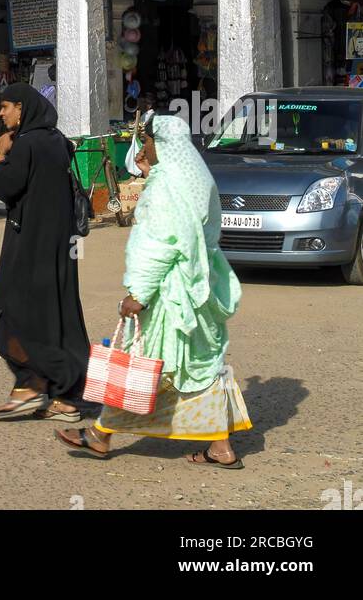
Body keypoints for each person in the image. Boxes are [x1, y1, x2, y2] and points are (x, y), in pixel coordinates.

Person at [55, 113, 252, 468]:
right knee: (199, 366)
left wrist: (139, 293)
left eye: (148, 142)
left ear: (164, 144)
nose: (144, 150)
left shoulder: (167, 185)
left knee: (140, 363)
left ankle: (101, 434)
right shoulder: (197, 177)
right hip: (201, 288)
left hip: (169, 293)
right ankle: (220, 447)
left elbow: (161, 244)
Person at [0, 83, 89, 423]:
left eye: (5, 107)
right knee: (55, 313)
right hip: (61, 244)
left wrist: (0, 157)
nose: (1, 113)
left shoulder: (25, 144)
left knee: (4, 309)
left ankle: (36, 383)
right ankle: (54, 391)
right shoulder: (57, 140)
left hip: (29, 242)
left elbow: (5, 186)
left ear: (22, 108)